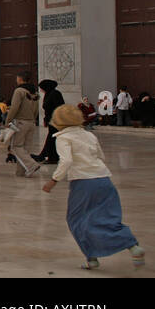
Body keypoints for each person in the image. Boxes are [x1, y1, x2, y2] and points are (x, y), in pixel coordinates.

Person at [41, 104, 145, 271]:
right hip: (103, 179)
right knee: (107, 218)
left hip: (83, 182)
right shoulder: (88, 135)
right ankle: (133, 246)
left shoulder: (63, 137)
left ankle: (91, 258)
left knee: (77, 220)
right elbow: (100, 155)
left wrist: (53, 180)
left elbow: (66, 161)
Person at [4, 72, 40, 176]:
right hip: (31, 122)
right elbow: (37, 110)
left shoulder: (19, 91)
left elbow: (14, 107)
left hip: (20, 122)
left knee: (16, 146)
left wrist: (8, 120)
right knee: (26, 148)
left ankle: (32, 165)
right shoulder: (35, 92)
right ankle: (21, 171)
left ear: (20, 79)